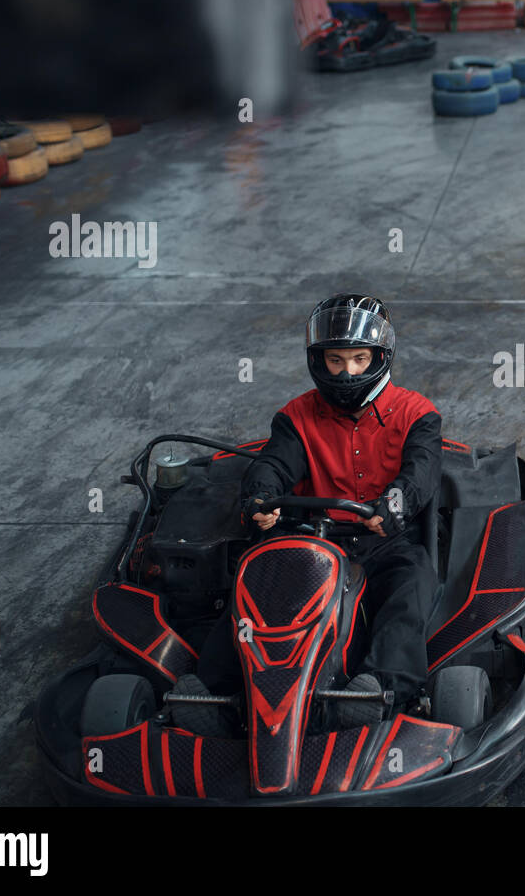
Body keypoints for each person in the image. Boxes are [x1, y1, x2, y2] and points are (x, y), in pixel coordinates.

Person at [195, 293, 441, 729]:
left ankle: (379, 689)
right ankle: (209, 692)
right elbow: (272, 465)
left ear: (380, 357)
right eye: (335, 360)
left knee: (410, 586)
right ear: (318, 360)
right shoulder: (296, 416)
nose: (347, 372)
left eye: (359, 359)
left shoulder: (416, 412)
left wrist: (395, 502)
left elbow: (421, 470)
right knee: (254, 591)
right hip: (313, 538)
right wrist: (258, 501)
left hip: (384, 539)